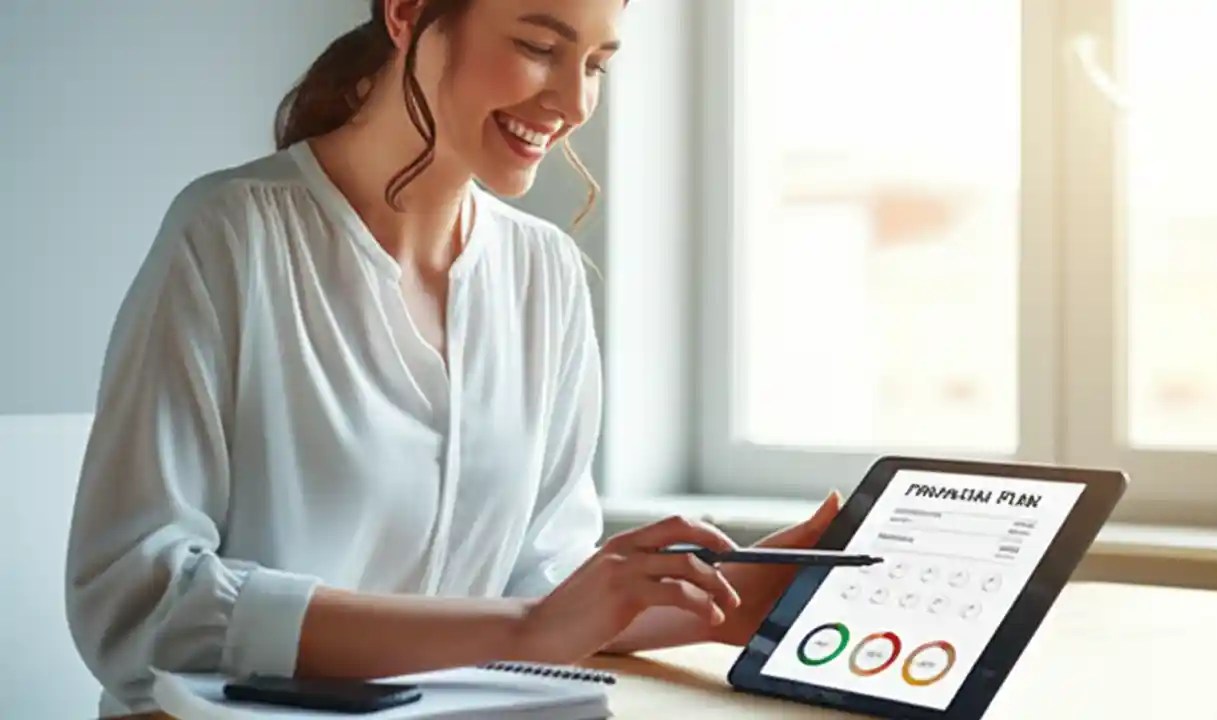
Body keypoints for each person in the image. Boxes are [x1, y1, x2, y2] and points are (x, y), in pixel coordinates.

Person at [64, 0, 840, 716]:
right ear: (407, 12)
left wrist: (720, 602)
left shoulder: (544, 272)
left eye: (597, 64)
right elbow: (141, 605)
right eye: (539, 47)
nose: (574, 103)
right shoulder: (230, 235)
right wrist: (529, 628)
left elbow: (540, 585)